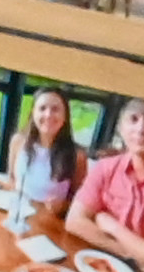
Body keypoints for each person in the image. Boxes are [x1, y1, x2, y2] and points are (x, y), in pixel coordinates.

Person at [64, 95, 144, 261]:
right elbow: (74, 221)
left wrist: (111, 225)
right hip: (102, 266)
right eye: (133, 118)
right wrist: (128, 254)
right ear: (120, 128)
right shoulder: (106, 167)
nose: (140, 128)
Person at [5, 86, 85, 223]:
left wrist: (62, 206)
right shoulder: (18, 141)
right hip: (17, 216)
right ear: (33, 113)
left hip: (49, 222)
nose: (48, 115)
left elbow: (80, 201)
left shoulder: (77, 155)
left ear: (65, 116)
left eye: (55, 109)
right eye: (42, 109)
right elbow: (12, 178)